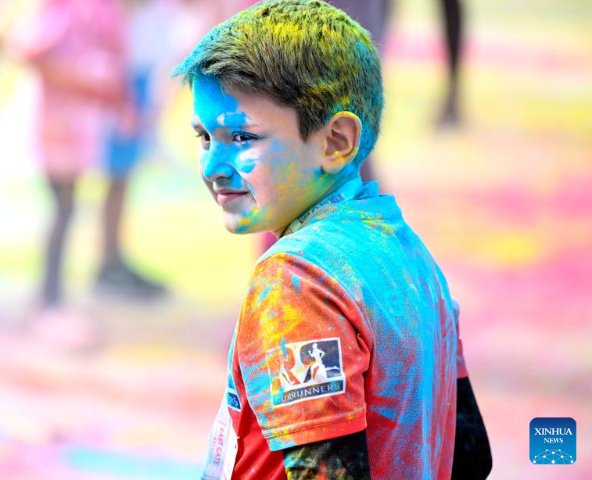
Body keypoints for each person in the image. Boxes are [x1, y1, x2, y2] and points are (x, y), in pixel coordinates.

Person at [173, 1, 491, 478]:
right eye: (204, 137)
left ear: (336, 141)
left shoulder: (297, 282)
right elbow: (470, 456)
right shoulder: (407, 251)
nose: (212, 168)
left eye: (241, 138)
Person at [11, 0, 165, 341]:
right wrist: (83, 80)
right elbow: (28, 51)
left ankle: (53, 299)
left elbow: (114, 59)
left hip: (78, 126)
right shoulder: (68, 9)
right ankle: (48, 301)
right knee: (62, 208)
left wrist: (114, 97)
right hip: (57, 124)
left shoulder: (101, 9)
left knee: (68, 208)